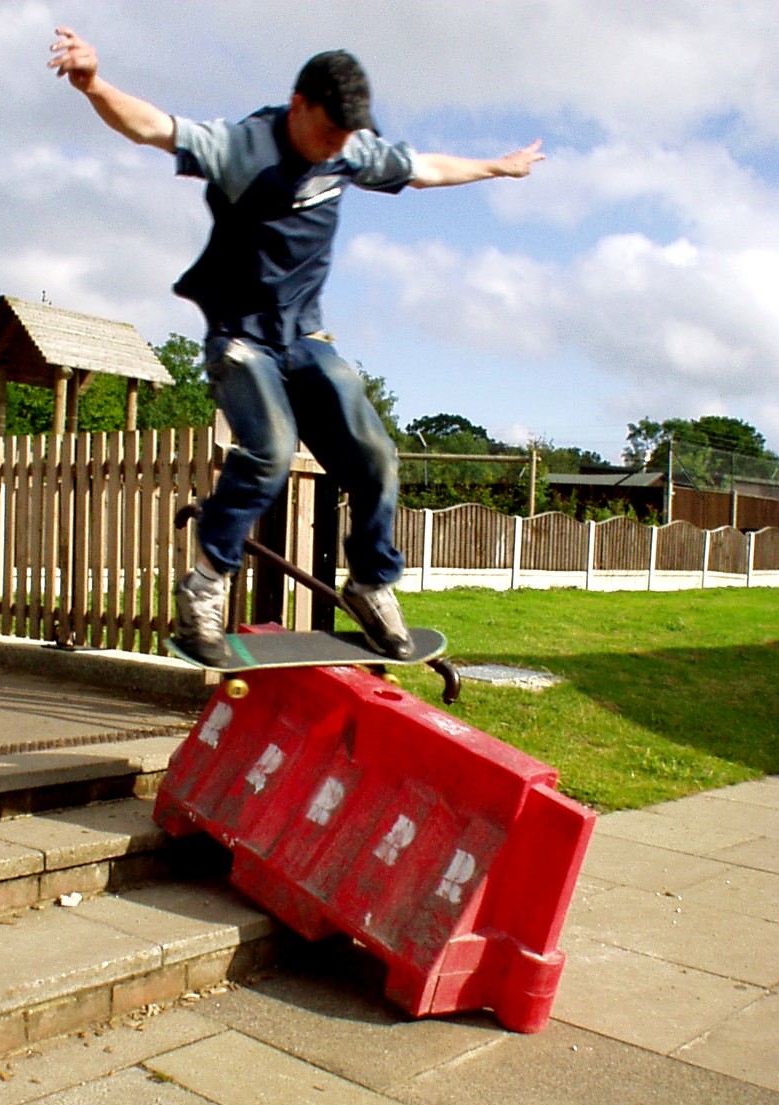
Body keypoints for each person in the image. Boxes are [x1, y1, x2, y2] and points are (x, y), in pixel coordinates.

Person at [49, 28, 544, 665]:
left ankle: (369, 583)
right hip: (241, 338)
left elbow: (424, 169)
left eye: (346, 139)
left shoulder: (349, 149)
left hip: (304, 337)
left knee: (376, 455)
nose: (335, 149)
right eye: (328, 134)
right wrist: (93, 82)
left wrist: (498, 167)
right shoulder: (239, 147)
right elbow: (151, 127)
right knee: (272, 449)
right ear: (298, 104)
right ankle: (204, 586)